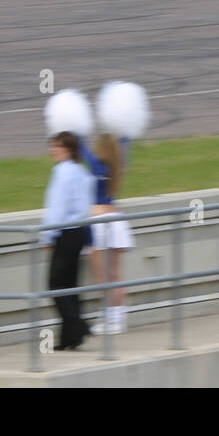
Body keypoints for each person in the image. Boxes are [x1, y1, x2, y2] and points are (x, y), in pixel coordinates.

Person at [42, 131, 96, 351]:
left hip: (65, 233)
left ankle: (79, 325)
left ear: (68, 150)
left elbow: (57, 208)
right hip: (79, 232)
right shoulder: (81, 172)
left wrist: (47, 235)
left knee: (56, 285)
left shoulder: (62, 172)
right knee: (70, 285)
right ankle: (69, 338)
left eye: (57, 146)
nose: (53, 150)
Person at [81, 133, 135, 334]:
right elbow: (125, 142)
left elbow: (83, 152)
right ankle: (117, 317)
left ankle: (111, 318)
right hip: (116, 221)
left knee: (103, 277)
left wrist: (75, 133)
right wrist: (125, 132)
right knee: (115, 275)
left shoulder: (98, 166)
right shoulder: (119, 164)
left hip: (99, 223)